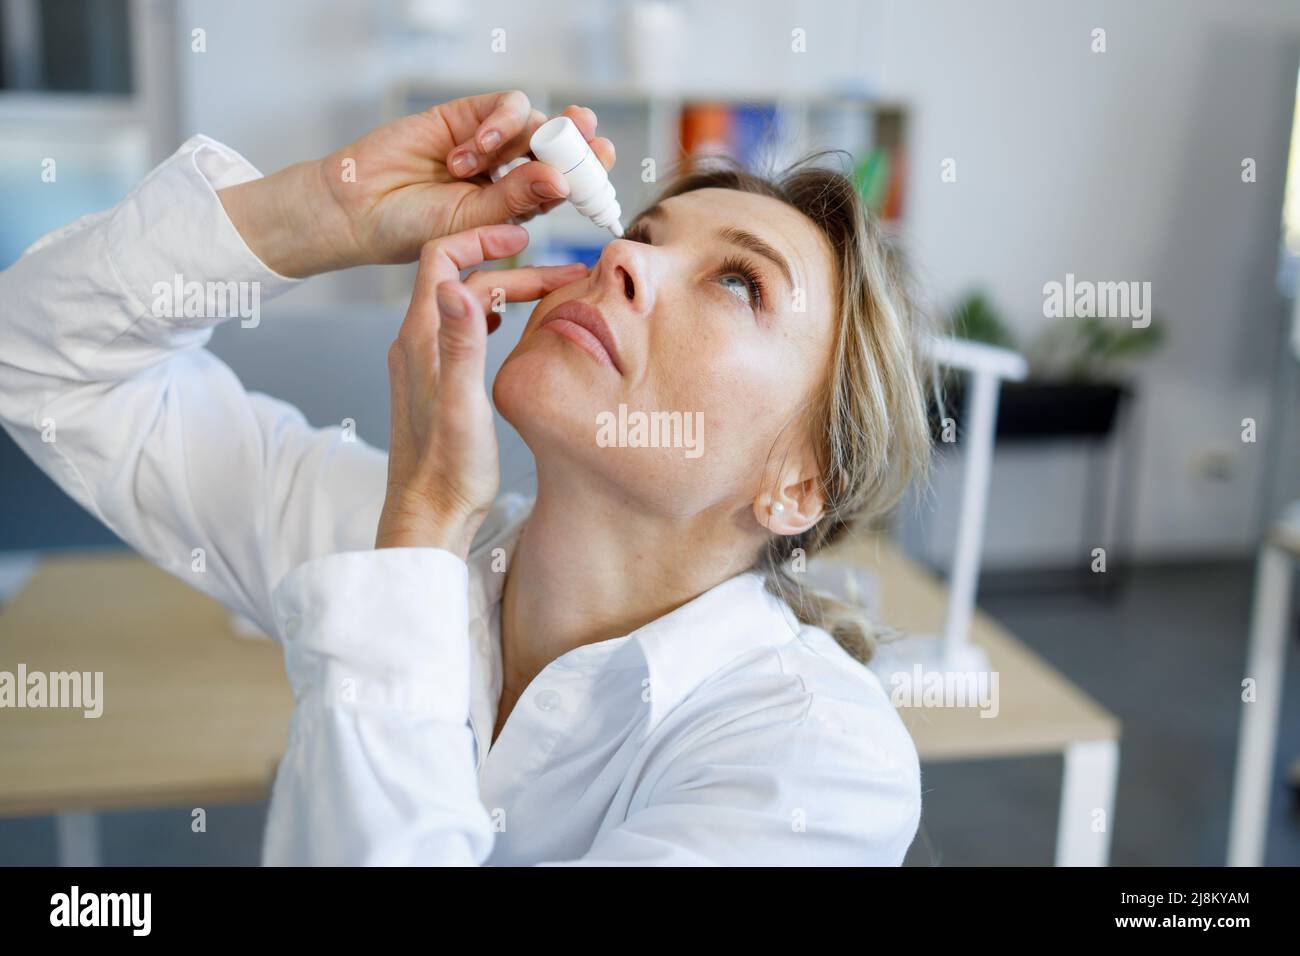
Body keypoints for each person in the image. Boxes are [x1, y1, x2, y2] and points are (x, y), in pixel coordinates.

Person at [0, 90, 931, 866]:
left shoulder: (823, 763)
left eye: (738, 283)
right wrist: (328, 211)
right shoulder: (399, 533)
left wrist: (422, 521)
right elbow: (39, 361)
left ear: (801, 485)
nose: (624, 258)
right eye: (643, 233)